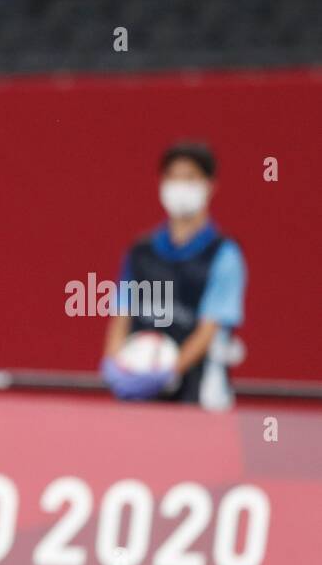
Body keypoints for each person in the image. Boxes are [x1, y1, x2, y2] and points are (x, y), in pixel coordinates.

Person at [101, 141, 247, 409]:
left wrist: (166, 373)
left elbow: (209, 330)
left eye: (190, 178)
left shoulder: (224, 255)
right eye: (174, 177)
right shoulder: (140, 252)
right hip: (140, 398)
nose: (180, 186)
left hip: (199, 398)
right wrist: (115, 364)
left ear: (210, 186)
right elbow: (121, 316)